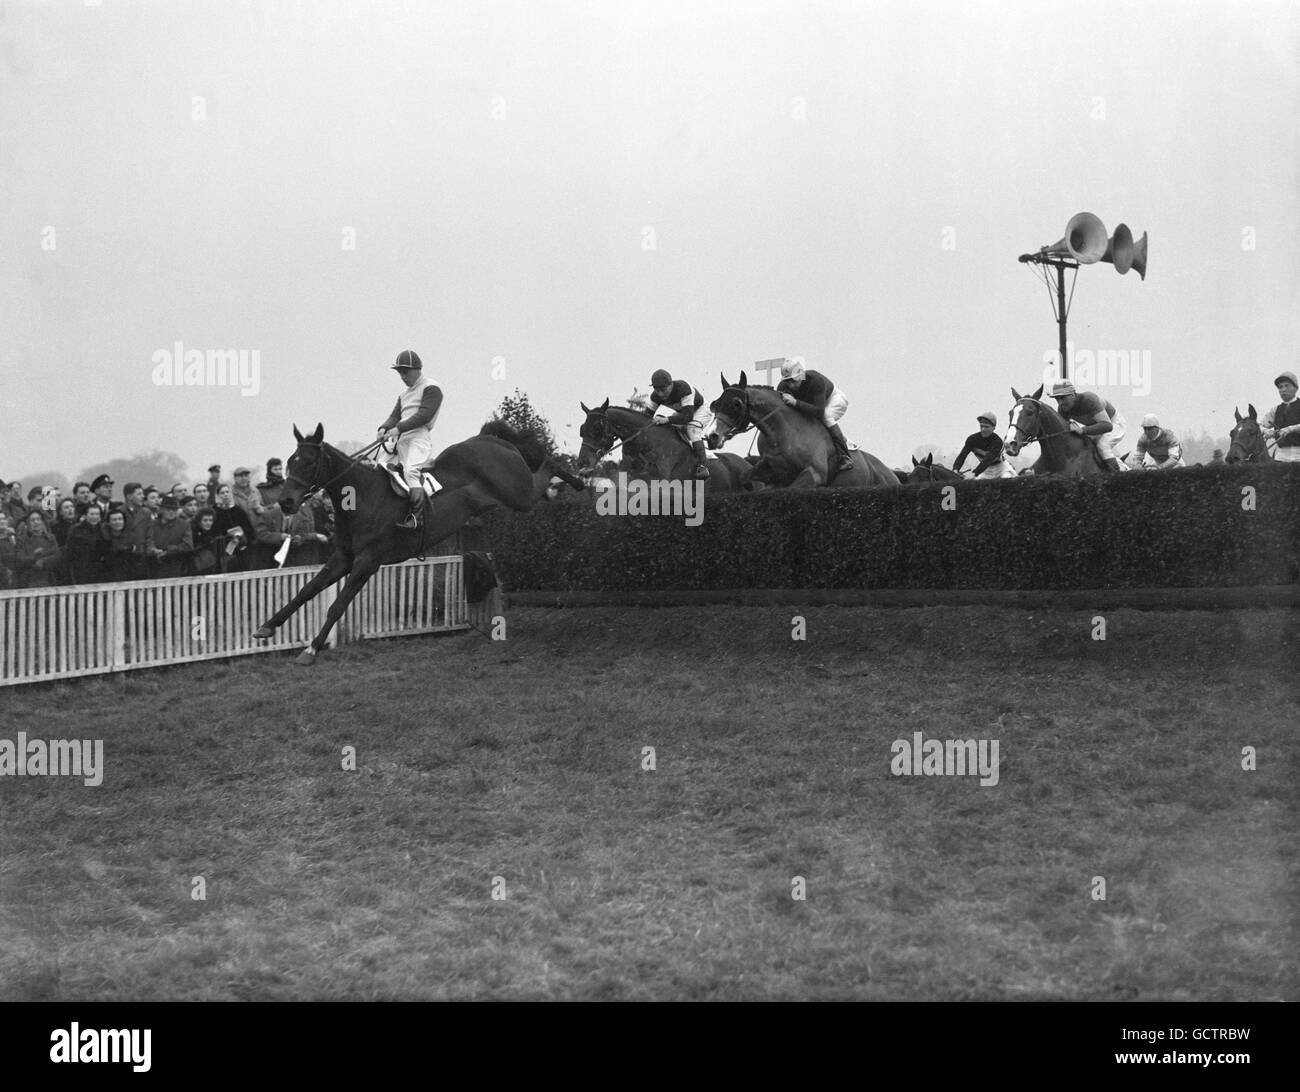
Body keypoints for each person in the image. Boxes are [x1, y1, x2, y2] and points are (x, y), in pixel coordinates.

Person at [376, 349, 444, 529]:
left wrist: (397, 428)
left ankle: (416, 518)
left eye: (405, 372)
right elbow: (394, 416)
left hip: (419, 437)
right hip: (400, 439)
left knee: (411, 471)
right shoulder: (403, 395)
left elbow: (424, 415)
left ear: (417, 369)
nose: (402, 376)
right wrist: (383, 428)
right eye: (400, 373)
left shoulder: (431, 387)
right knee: (380, 468)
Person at [775, 359, 854, 473]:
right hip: (813, 404)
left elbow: (819, 411)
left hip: (833, 400)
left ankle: (844, 455)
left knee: (825, 416)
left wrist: (795, 402)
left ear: (800, 376)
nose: (791, 386)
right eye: (788, 381)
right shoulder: (783, 386)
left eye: (793, 381)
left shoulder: (816, 381)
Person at [1048, 380, 1127, 473]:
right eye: (1057, 399)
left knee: (1103, 445)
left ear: (1072, 395)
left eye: (1062, 398)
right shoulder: (1063, 409)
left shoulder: (1089, 399)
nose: (1060, 403)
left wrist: (1083, 430)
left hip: (1114, 423)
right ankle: (1123, 469)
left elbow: (1107, 426)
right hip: (1098, 425)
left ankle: (1116, 477)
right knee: (1085, 445)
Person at [648, 368, 713, 479]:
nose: (660, 393)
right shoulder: (655, 396)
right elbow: (646, 416)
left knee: (692, 429)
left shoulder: (683, 389)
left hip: (701, 410)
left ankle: (703, 467)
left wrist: (667, 419)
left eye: (663, 389)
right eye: (657, 389)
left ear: (671, 384)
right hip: (684, 413)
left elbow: (688, 417)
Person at [952, 411, 1014, 478]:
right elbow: (962, 455)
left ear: (993, 428)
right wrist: (955, 469)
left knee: (1007, 478)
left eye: (986, 427)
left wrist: (974, 473)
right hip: (985, 470)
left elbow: (988, 459)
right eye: (981, 426)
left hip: (1001, 468)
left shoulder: (998, 441)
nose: (983, 429)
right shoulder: (972, 439)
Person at [212, 484, 254, 571]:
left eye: (227, 492)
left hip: (241, 547)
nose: (225, 494)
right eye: (222, 493)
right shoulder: (214, 512)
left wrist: (241, 535)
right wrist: (228, 537)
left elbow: (248, 527)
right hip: (222, 549)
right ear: (218, 495)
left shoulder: (238, 510)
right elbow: (214, 530)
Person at [150, 496, 193, 578]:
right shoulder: (152, 524)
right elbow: (148, 541)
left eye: (174, 509)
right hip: (154, 567)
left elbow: (188, 545)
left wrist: (168, 551)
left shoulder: (184, 525)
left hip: (176, 567)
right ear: (161, 509)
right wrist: (153, 550)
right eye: (168, 509)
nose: (171, 511)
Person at [16, 509, 61, 587]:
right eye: (32, 520)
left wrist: (43, 561)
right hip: (29, 580)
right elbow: (20, 559)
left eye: (38, 519)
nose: (36, 522)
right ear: (28, 523)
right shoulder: (22, 540)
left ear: (42, 522)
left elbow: (57, 555)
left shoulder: (51, 538)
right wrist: (34, 557)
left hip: (49, 578)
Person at [1262, 370, 1300, 462]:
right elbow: (1258, 425)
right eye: (1280, 387)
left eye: (1287, 385)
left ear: (1295, 388)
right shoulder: (1275, 410)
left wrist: (1290, 429)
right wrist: (1266, 431)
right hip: (1281, 456)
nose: (1283, 389)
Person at [120, 482, 156, 579]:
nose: (143, 497)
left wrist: (150, 550)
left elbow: (149, 535)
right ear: (129, 496)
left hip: (142, 558)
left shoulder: (146, 512)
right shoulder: (119, 512)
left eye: (143, 494)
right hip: (124, 558)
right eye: (139, 494)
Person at [65, 504, 108, 584]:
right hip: (81, 568)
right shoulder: (76, 530)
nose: (94, 516)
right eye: (92, 514)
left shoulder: (103, 530)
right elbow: (69, 550)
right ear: (86, 515)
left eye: (97, 514)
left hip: (99, 569)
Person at [189, 508, 223, 575]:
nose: (208, 523)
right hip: (195, 568)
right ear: (199, 521)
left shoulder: (212, 532)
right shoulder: (192, 533)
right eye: (205, 520)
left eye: (210, 520)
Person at [0, 511, 17, 589]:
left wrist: (13, 538)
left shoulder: (13, 537)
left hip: (15, 576)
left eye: (4, 518)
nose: (2, 521)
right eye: (0, 519)